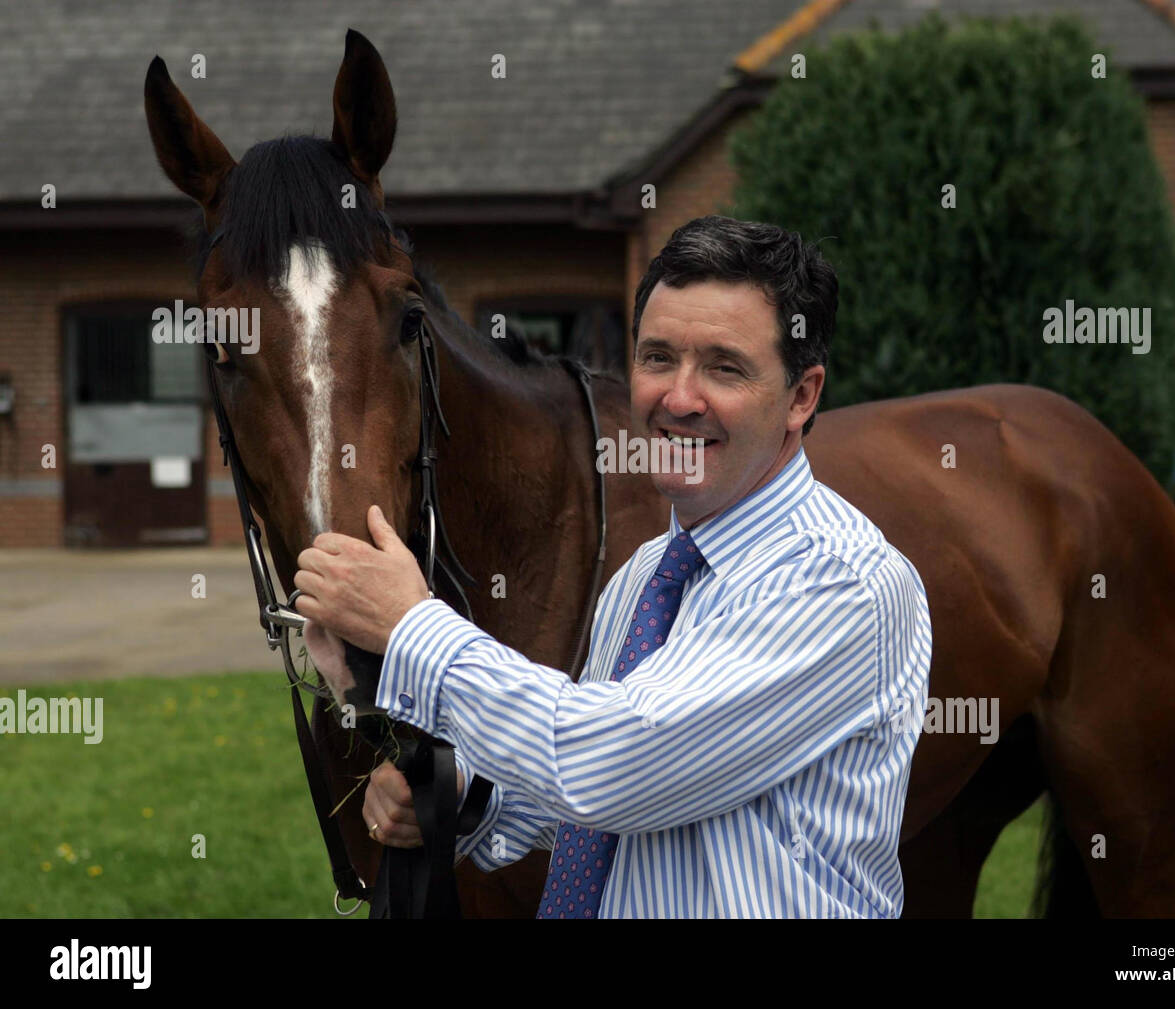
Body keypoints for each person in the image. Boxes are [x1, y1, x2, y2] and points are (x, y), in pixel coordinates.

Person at [296, 215, 932, 918]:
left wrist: (413, 627)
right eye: (658, 358)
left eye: (724, 367)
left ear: (802, 396)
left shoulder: (838, 582)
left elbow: (617, 764)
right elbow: (595, 805)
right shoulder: (647, 576)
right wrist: (460, 793)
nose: (679, 399)